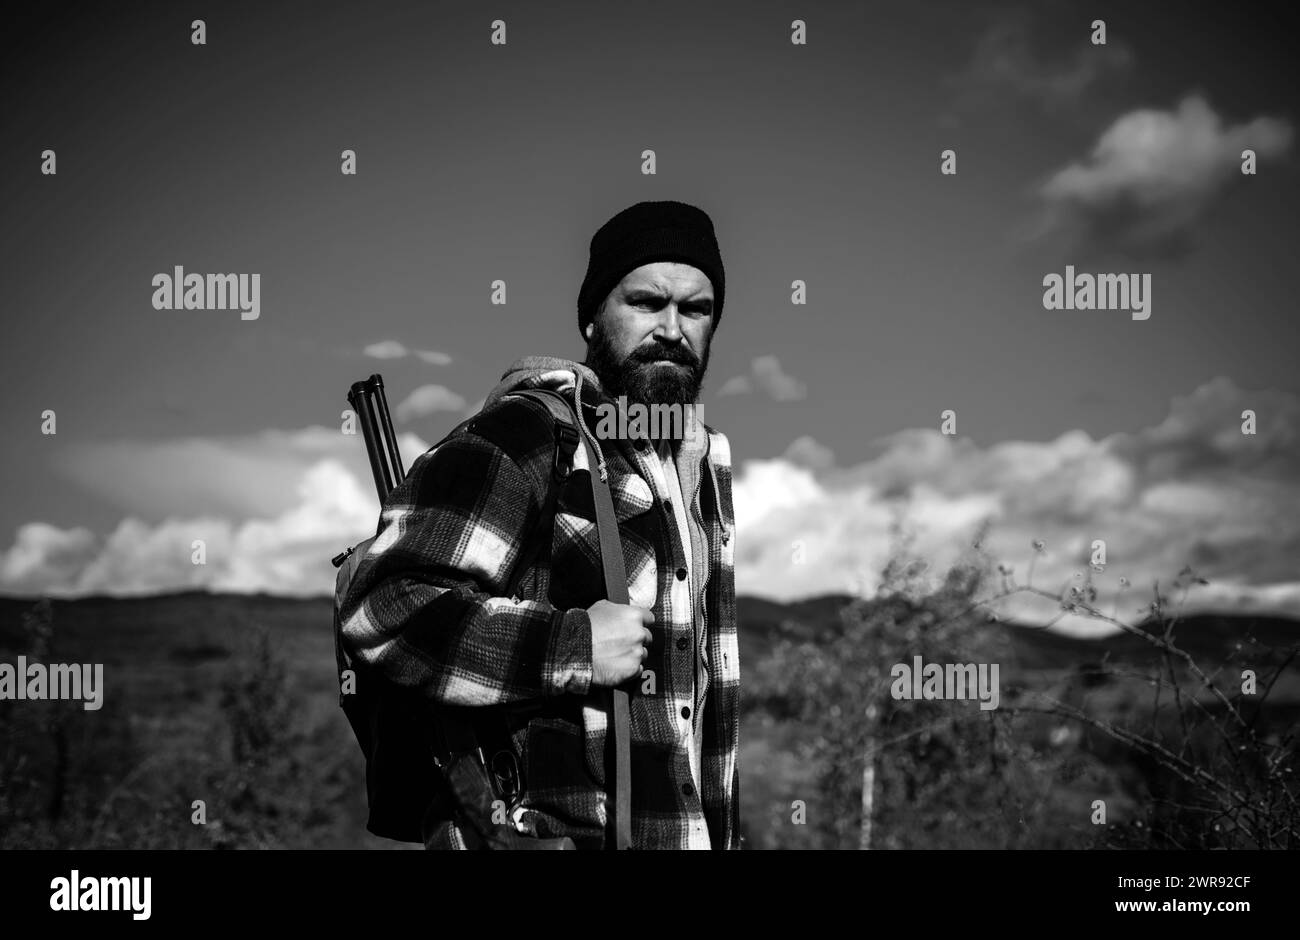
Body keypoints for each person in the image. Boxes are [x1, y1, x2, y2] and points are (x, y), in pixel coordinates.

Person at [339, 200, 739, 850]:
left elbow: (700, 728)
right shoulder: (527, 435)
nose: (672, 328)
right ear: (591, 317)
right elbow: (385, 605)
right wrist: (573, 647)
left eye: (695, 309)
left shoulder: (700, 475)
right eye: (646, 302)